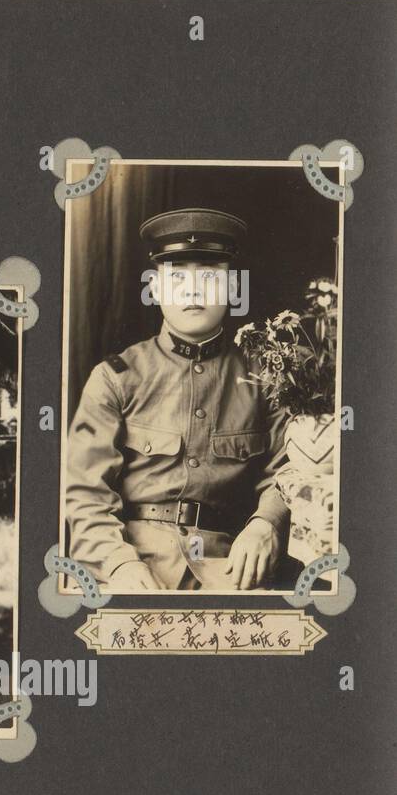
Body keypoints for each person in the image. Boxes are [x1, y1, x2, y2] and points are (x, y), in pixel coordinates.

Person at [64, 208, 289, 591]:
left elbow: (290, 471)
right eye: (177, 274)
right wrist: (118, 565)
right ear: (154, 288)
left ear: (234, 287)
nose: (194, 289)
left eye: (210, 274)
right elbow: (86, 494)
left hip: (232, 566)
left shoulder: (266, 378)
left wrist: (268, 523)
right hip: (130, 565)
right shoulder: (115, 378)